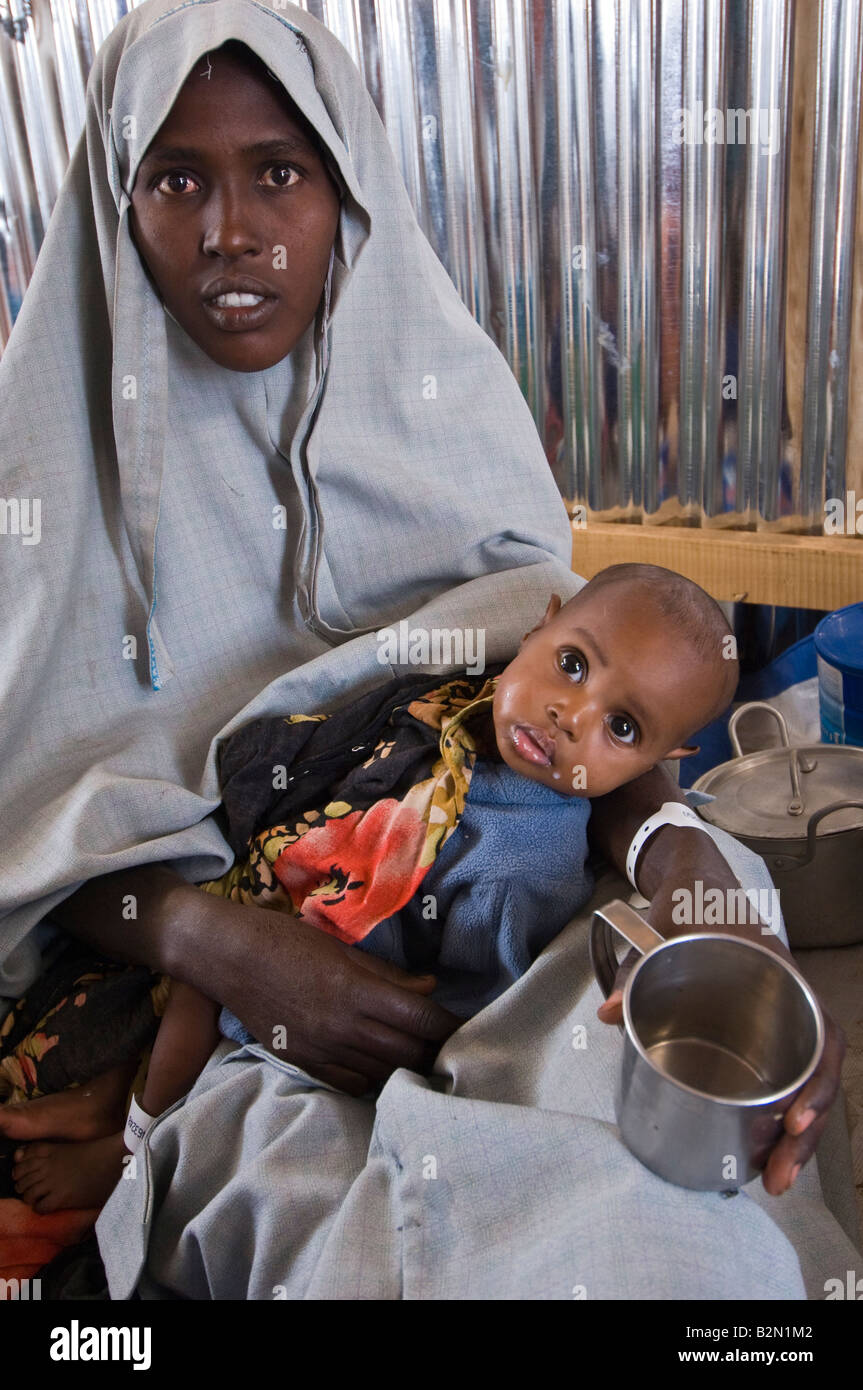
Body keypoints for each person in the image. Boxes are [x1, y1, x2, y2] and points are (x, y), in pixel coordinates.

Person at [0, 0, 850, 1298]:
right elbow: (38, 848)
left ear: (348, 194)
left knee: (679, 1200)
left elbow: (600, 736)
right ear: (120, 202)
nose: (232, 232)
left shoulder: (442, 418)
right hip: (246, 1028)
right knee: (419, 1237)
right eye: (177, 179)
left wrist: (691, 873)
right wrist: (217, 943)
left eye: (278, 173)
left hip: (523, 929)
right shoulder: (50, 504)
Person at [6, 562, 741, 1210]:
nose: (568, 715)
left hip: (331, 1010)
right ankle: (114, 1094)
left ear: (662, 760)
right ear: (538, 626)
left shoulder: (525, 864)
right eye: (573, 665)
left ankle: (130, 1149)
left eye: (620, 726)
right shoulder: (461, 706)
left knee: (210, 979)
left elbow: (474, 1016)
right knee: (199, 950)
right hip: (284, 899)